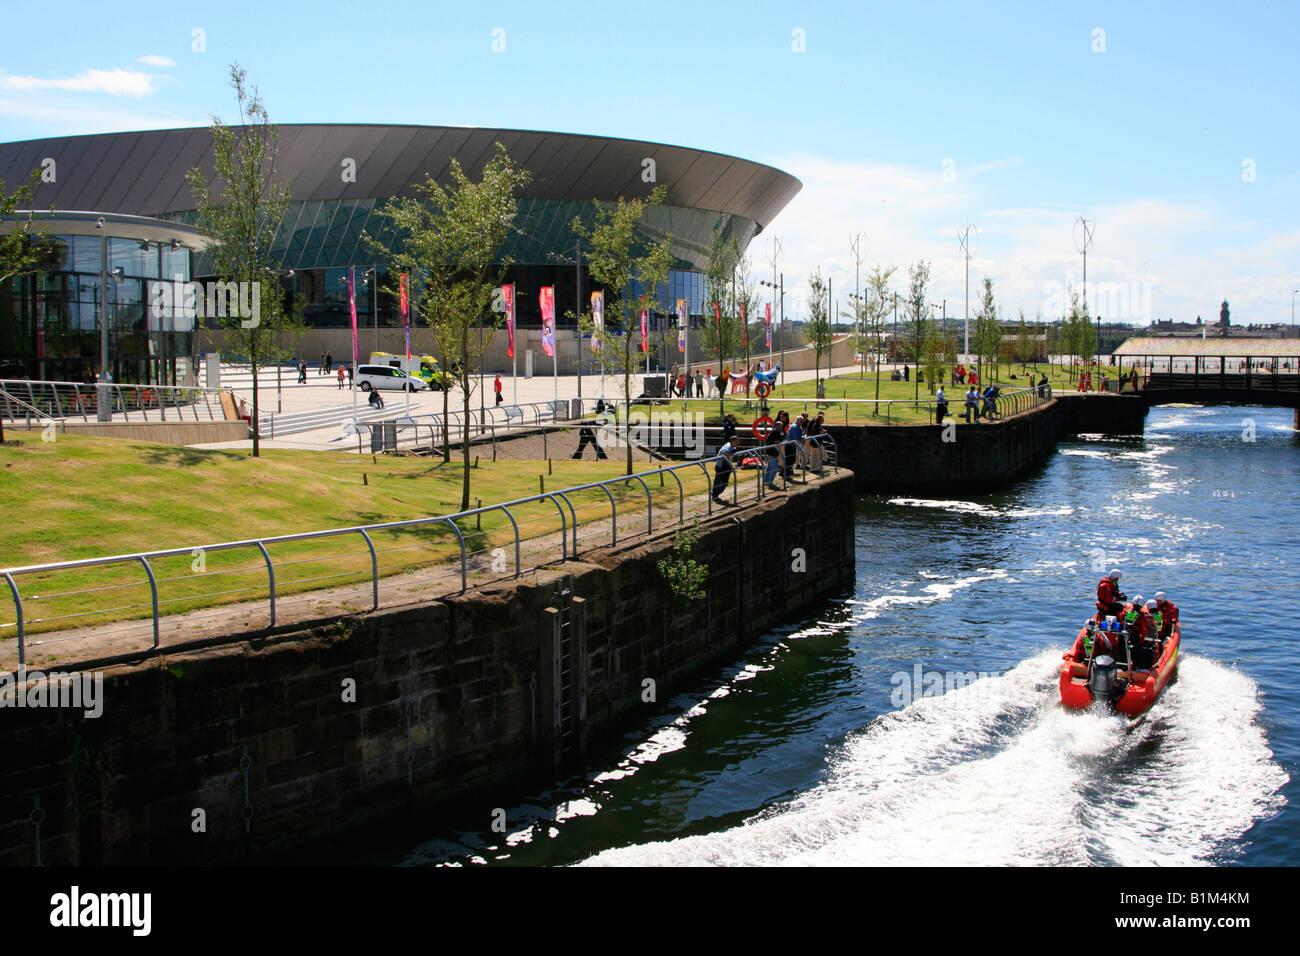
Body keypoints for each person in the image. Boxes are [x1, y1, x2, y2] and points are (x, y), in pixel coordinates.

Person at [763, 415, 787, 489]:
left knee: (769, 467)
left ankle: (765, 480)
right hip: (771, 453)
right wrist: (782, 439)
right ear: (777, 426)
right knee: (774, 468)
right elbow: (776, 441)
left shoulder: (778, 432)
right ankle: (769, 482)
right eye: (780, 426)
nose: (782, 427)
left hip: (772, 453)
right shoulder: (774, 433)